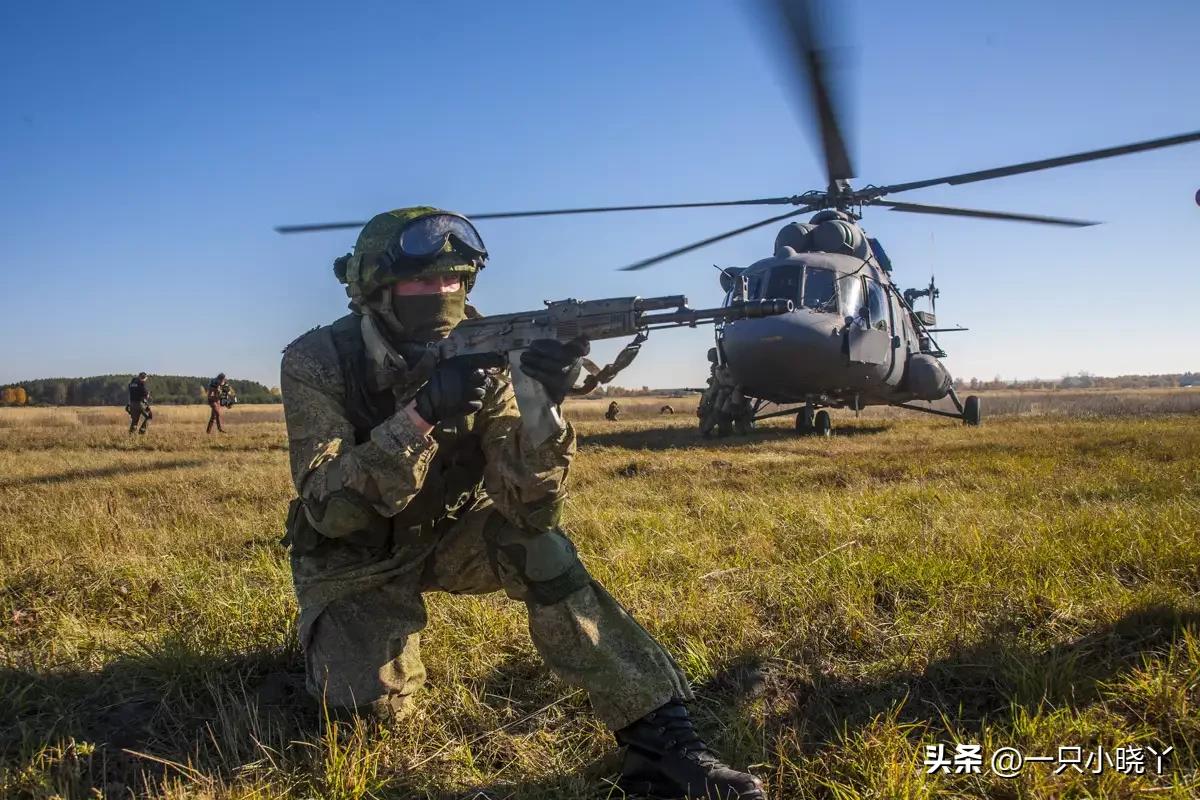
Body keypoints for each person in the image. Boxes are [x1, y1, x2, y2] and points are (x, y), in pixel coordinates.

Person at [280, 207, 763, 799]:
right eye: (424, 281)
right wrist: (421, 415)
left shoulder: (488, 350)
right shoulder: (317, 359)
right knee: (368, 727)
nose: (443, 293)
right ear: (377, 289)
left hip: (444, 538)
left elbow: (529, 510)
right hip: (352, 563)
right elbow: (331, 506)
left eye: (454, 279)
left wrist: (542, 404)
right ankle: (331, 643)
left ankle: (664, 746)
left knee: (541, 548)